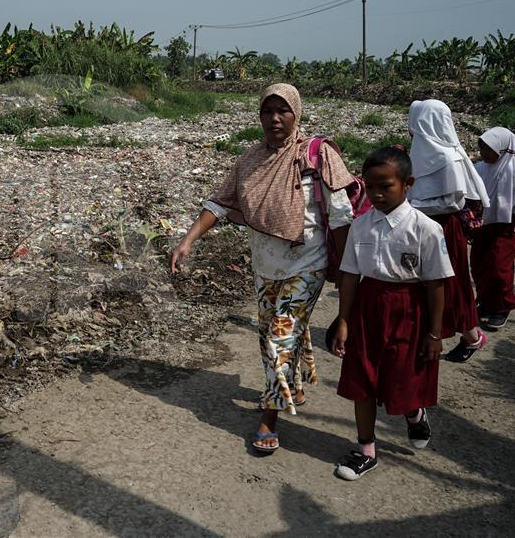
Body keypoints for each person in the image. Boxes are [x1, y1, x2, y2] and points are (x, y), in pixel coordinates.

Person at [170, 83, 355, 453]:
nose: (274, 119)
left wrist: (346, 272)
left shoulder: (316, 156)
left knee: (278, 337)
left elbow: (341, 218)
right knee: (270, 330)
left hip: (308, 263)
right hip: (265, 264)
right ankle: (294, 385)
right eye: (267, 111)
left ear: (296, 113)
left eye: (282, 111)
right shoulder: (250, 159)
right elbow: (221, 203)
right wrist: (187, 240)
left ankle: (270, 416)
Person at [332, 147, 452, 480]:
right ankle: (366, 449)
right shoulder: (361, 226)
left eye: (386, 185)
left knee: (402, 378)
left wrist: (434, 333)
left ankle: (414, 413)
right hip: (367, 308)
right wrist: (343, 320)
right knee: (362, 379)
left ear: (408, 183)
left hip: (408, 309)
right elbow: (350, 276)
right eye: (370, 187)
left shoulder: (426, 229)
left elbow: (436, 284)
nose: (377, 194)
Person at [407, 100, 489, 363]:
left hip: (443, 228)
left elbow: (454, 201)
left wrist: (412, 206)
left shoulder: (446, 156)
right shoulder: (418, 151)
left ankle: (469, 334)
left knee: (449, 282)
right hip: (422, 225)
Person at [471, 127, 515, 329]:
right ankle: (486, 302)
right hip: (483, 225)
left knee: (499, 266)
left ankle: (502, 307)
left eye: (488, 149)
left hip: (508, 227)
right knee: (479, 263)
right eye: (481, 149)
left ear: (502, 149)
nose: (484, 154)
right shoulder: (480, 169)